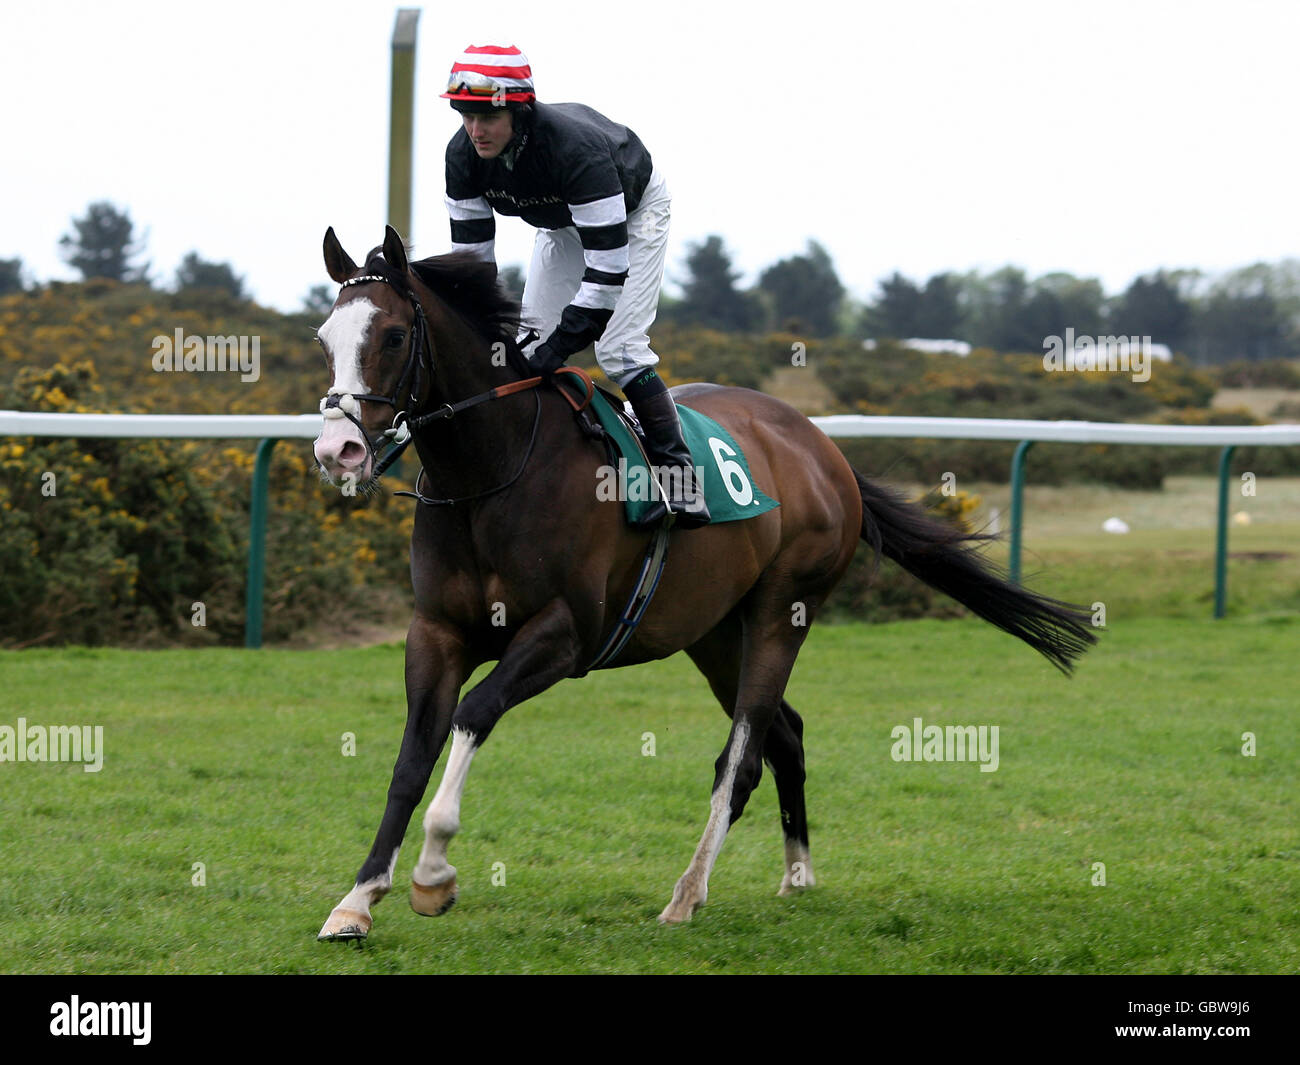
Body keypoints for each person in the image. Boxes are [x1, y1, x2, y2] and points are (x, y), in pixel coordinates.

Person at [441, 43, 709, 529]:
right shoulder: (462, 154)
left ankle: (679, 480)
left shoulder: (574, 149)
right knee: (527, 346)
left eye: (488, 117)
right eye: (465, 114)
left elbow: (605, 274)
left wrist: (562, 347)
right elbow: (475, 271)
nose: (475, 130)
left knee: (619, 350)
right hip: (562, 222)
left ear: (519, 111)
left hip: (633, 213)